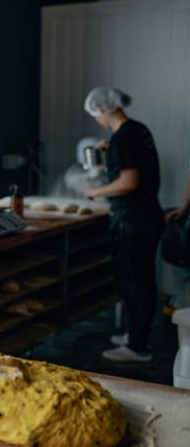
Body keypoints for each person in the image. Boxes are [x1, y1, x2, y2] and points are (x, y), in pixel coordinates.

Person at [84, 86, 163, 362]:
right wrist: (112, 146)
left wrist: (94, 192)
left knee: (133, 281)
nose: (97, 120)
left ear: (103, 110)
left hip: (132, 220)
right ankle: (136, 334)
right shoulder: (137, 130)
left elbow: (129, 182)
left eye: (95, 114)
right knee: (143, 278)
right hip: (149, 215)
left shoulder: (122, 139)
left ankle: (137, 347)